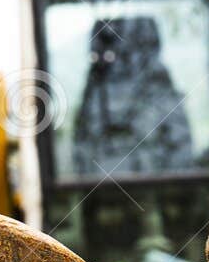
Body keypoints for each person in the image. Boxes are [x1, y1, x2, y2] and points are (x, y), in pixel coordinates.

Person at [71, 15, 194, 176]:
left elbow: (182, 153)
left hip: (156, 192)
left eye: (121, 54)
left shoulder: (160, 91)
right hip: (103, 194)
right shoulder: (93, 96)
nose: (115, 62)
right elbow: (81, 154)